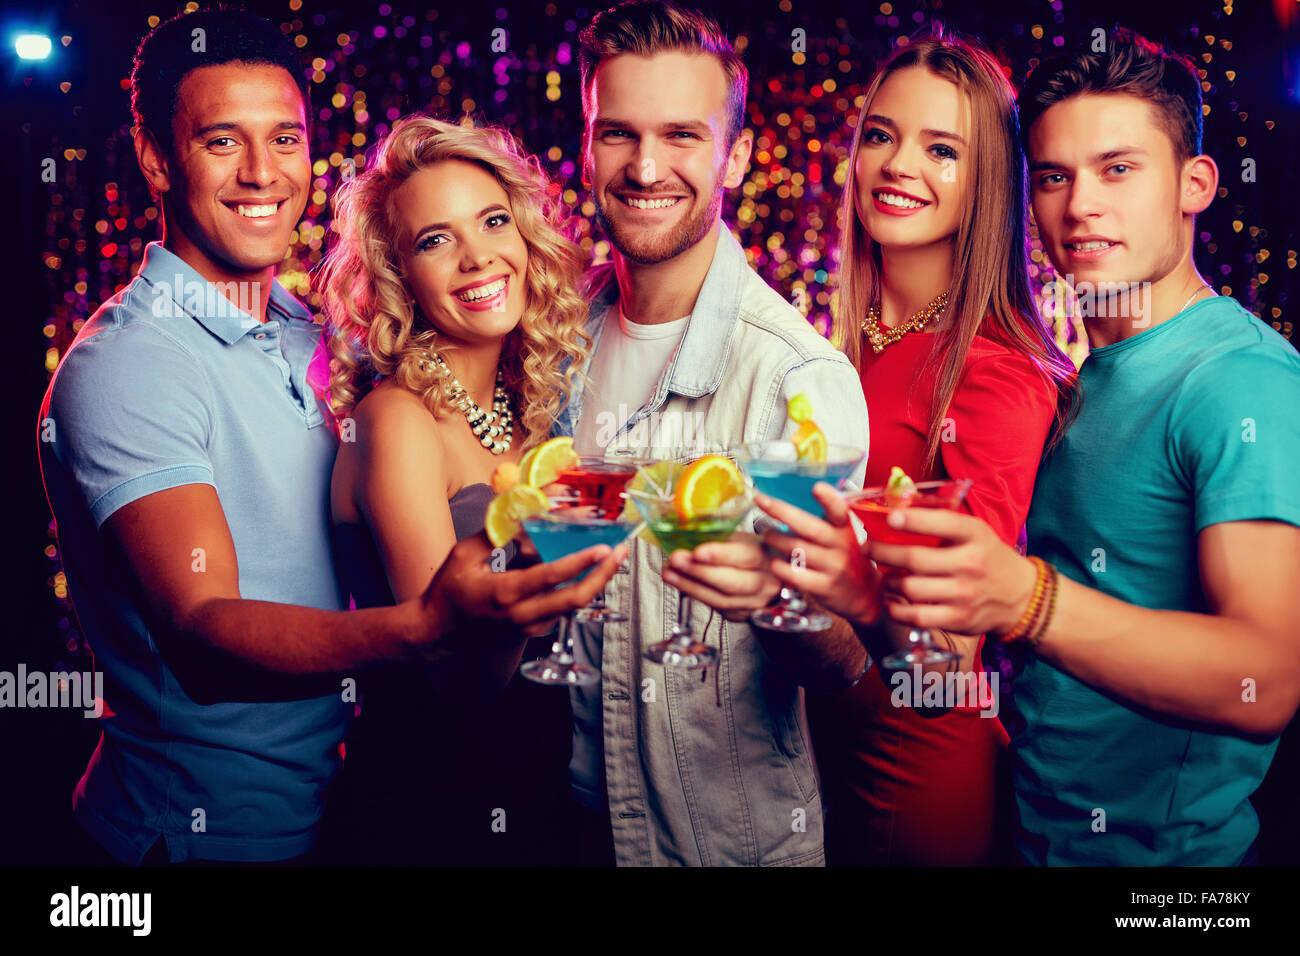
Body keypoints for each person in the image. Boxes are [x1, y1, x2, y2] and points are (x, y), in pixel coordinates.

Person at [36, 9, 623, 866]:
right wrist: (426, 626)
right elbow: (201, 631)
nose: (263, 172)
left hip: (328, 811)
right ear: (157, 159)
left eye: (284, 138)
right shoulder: (127, 365)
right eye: (222, 142)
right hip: (194, 838)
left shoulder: (307, 336)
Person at [766, 28, 1300, 866]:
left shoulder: (1242, 382)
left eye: (1118, 169)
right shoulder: (1093, 380)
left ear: (1196, 183)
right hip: (1029, 834)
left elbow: (1265, 679)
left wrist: (1024, 599)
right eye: (1054, 175)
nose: (1081, 204)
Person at [753, 30, 1078, 865]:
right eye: (882, 135)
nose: (900, 165)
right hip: (800, 761)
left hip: (910, 780)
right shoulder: (831, 348)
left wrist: (851, 587)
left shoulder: (998, 374)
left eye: (943, 150)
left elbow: (949, 658)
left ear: (988, 185)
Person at [557, 0, 870, 866]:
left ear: (735, 153)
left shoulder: (796, 379)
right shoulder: (549, 337)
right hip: (561, 819)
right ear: (587, 144)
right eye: (617, 133)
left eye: (682, 136)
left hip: (715, 846)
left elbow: (846, 665)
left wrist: (777, 596)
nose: (646, 165)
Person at [313, 116, 596, 865]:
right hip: (426, 819)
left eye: (493, 221)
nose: (477, 258)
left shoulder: (524, 417)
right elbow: (457, 683)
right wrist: (546, 563)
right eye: (435, 240)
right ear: (398, 276)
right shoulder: (395, 420)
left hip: (542, 810)